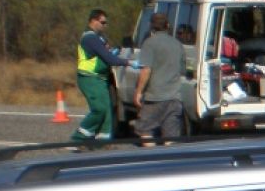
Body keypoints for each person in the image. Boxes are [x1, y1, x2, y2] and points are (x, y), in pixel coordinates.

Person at [72, 8, 130, 142]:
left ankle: (102, 141)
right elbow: (109, 59)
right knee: (99, 109)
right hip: (90, 78)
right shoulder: (90, 38)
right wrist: (128, 62)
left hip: (100, 78)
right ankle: (79, 137)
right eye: (102, 22)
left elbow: (106, 55)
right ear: (93, 21)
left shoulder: (99, 38)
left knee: (107, 111)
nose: (105, 26)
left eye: (106, 23)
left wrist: (113, 52)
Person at [133, 12, 188, 145]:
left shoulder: (149, 44)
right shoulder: (177, 44)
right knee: (170, 137)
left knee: (145, 131)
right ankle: (169, 163)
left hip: (154, 98)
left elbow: (146, 70)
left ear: (151, 26)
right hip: (174, 98)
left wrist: (138, 92)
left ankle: (151, 160)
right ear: (167, 25)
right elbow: (182, 71)